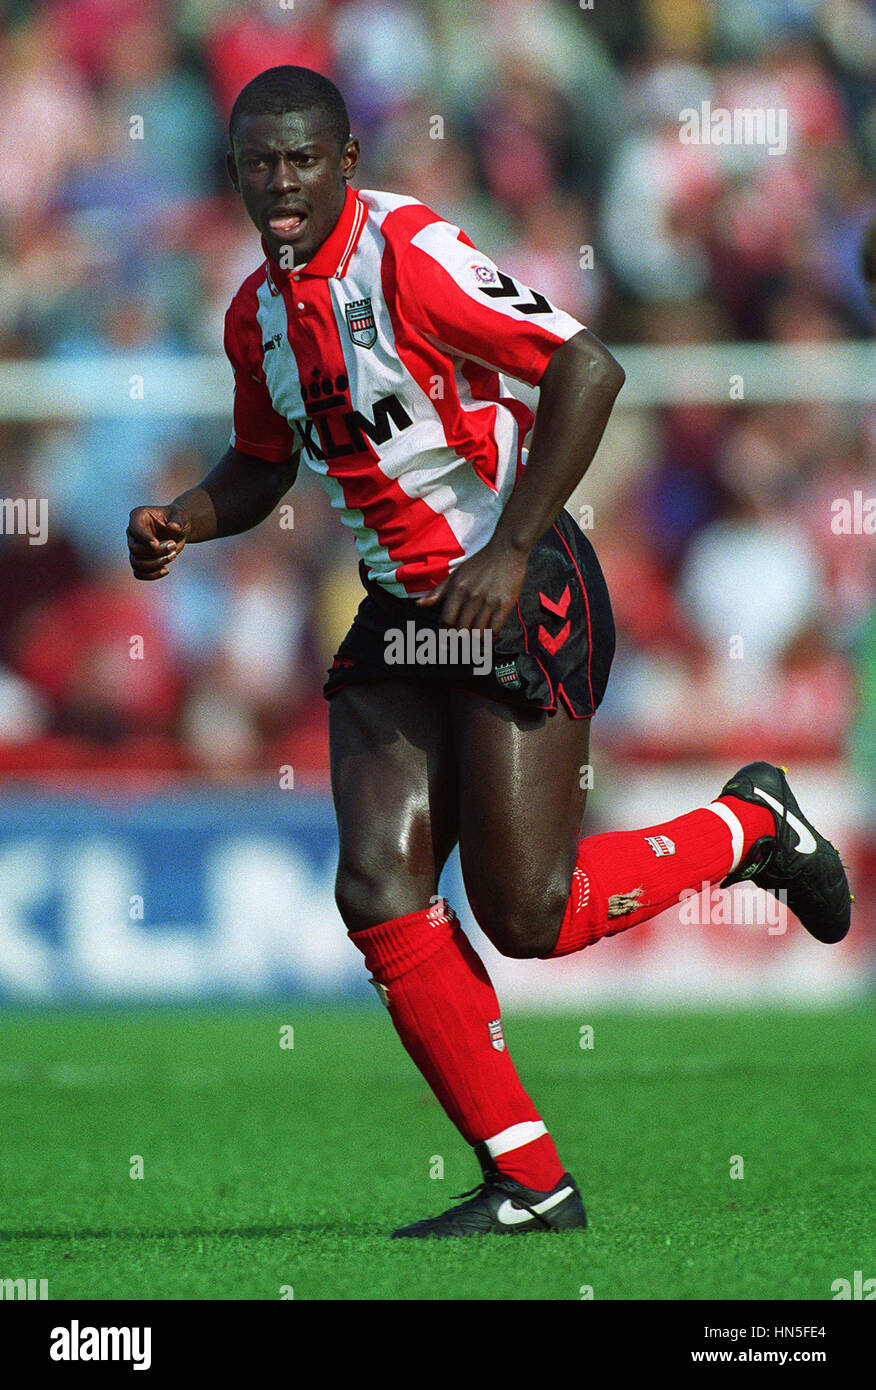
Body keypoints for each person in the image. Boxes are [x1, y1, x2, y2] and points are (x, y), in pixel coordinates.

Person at [127, 66, 852, 1239]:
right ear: (237, 177)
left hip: (515, 587)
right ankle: (530, 1180)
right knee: (377, 883)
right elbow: (263, 463)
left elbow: (586, 366)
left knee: (528, 913)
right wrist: (184, 518)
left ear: (347, 161)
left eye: (302, 159)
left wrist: (512, 548)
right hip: (399, 611)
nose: (281, 183)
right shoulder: (251, 312)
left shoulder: (409, 252)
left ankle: (751, 826)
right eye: (259, 164)